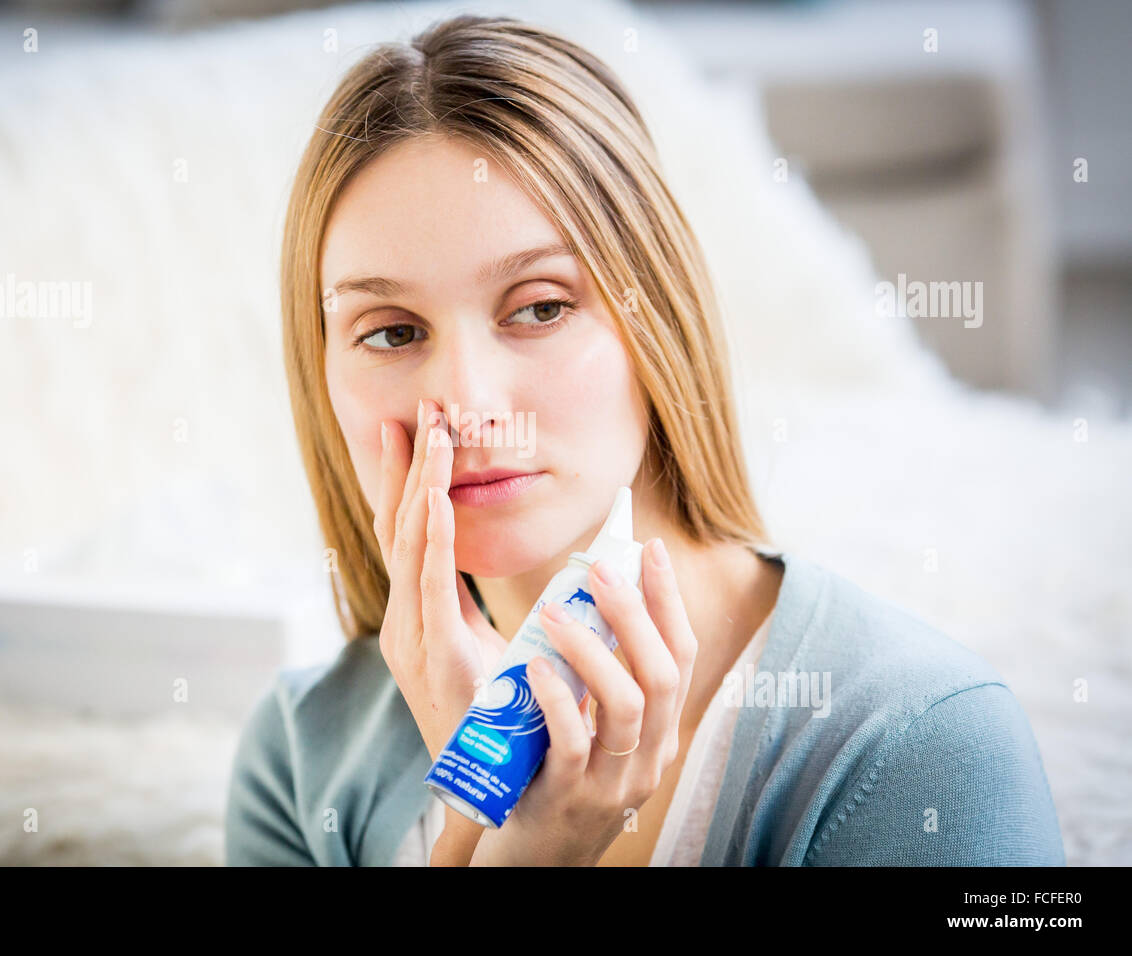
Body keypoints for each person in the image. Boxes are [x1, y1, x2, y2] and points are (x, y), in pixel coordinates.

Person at [225, 14, 1065, 866]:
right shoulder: (299, 760)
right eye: (394, 333)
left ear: (654, 316)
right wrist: (511, 838)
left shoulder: (929, 749)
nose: (470, 407)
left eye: (541, 307)